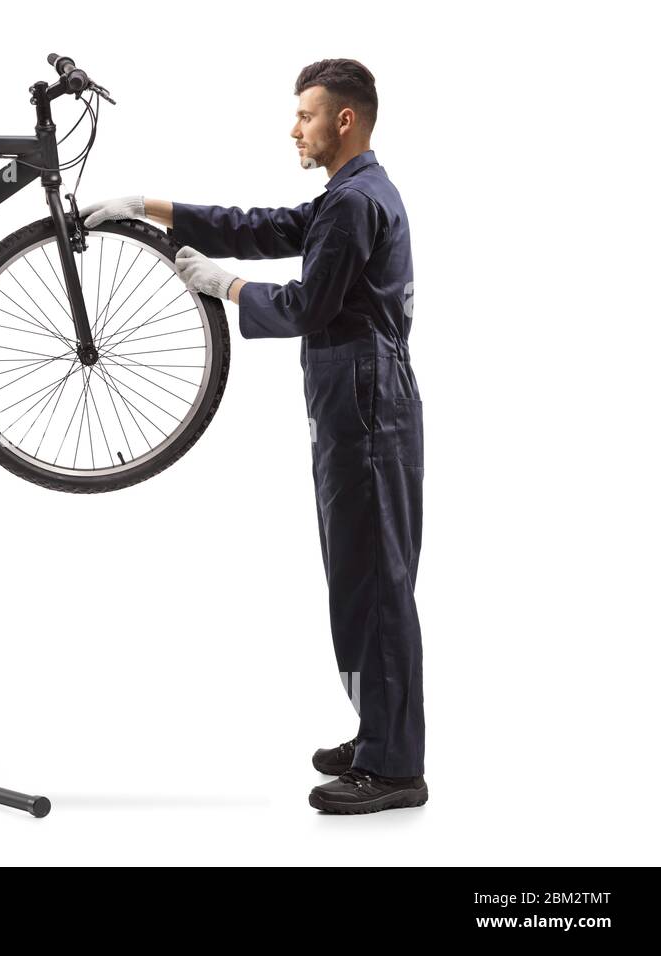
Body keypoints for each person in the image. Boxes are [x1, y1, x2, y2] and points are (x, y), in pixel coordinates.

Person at [81, 59, 427, 814]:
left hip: (366, 403)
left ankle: (395, 769)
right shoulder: (350, 193)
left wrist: (225, 285)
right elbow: (266, 226)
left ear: (344, 120)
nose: (294, 128)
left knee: (375, 580)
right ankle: (381, 736)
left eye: (306, 114)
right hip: (358, 398)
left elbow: (307, 305)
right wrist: (150, 206)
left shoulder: (356, 200)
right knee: (359, 576)